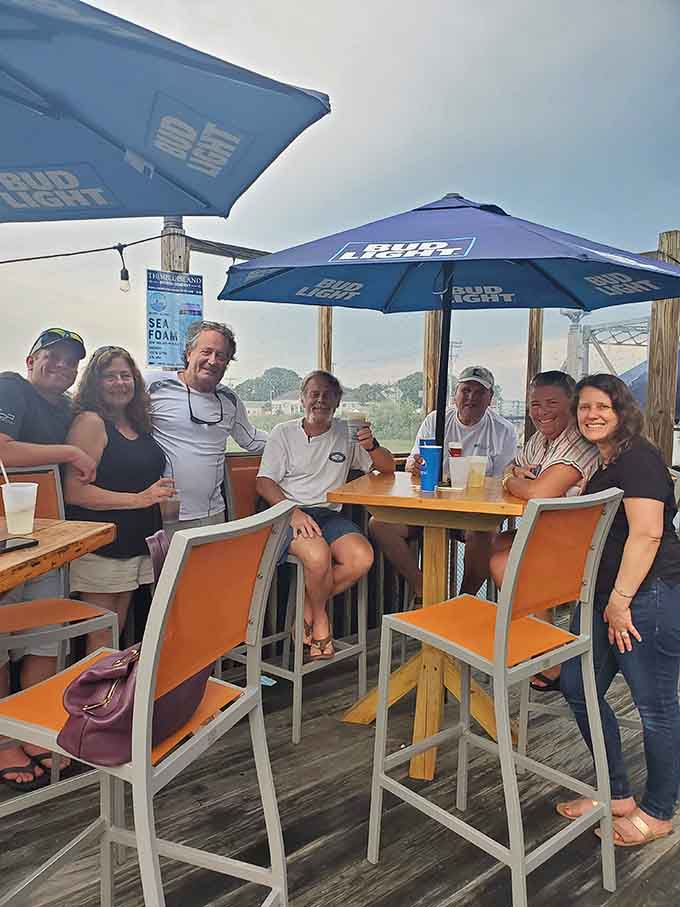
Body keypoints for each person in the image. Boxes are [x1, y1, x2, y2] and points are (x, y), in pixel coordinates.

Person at [558, 374, 680, 846]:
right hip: (609, 597)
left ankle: (659, 810)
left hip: (645, 598)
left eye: (601, 406)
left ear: (621, 410)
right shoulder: (607, 461)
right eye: (584, 407)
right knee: (576, 685)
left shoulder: (640, 460)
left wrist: (620, 601)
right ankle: (617, 794)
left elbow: (648, 533)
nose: (591, 415)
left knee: (656, 708)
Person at [0, 327, 93, 791]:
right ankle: (3, 739)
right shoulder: (11, 387)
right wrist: (71, 451)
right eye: (51, 356)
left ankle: (31, 726)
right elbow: (1, 446)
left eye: (70, 360)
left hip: (52, 539)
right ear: (31, 357)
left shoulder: (65, 409)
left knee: (45, 637)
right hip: (6, 540)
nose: (61, 365)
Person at [256, 370, 395, 659]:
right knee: (318, 557)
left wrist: (371, 444)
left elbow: (388, 468)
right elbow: (264, 482)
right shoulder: (283, 432)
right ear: (302, 399)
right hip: (288, 513)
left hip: (328, 515)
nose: (320, 400)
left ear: (337, 401)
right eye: (314, 394)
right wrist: (292, 512)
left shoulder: (347, 432)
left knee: (362, 558)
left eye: (327, 395)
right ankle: (320, 620)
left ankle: (307, 608)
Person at [490, 370, 599, 689]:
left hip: (586, 547)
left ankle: (549, 656)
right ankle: (541, 643)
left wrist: (513, 481)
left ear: (573, 404)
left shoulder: (577, 440)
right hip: (554, 534)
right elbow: (514, 466)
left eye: (552, 402)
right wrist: (517, 474)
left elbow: (539, 493)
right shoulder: (542, 439)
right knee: (493, 543)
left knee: (503, 562)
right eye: (535, 404)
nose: (542, 411)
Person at [369, 365, 516, 600]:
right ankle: (423, 588)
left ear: (490, 398)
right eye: (466, 390)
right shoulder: (436, 420)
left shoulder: (503, 430)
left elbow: (503, 483)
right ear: (455, 394)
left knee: (486, 531)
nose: (471, 397)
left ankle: (463, 599)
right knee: (379, 523)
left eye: (480, 392)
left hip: (472, 513)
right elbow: (411, 463)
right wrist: (414, 466)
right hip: (428, 509)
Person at [64, 347, 174, 653]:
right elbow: (74, 492)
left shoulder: (137, 423)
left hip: (137, 542)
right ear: (94, 383)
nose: (119, 382)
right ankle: (94, 699)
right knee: (101, 637)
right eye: (109, 376)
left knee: (117, 628)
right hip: (103, 548)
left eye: (126, 375)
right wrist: (139, 499)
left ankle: (109, 696)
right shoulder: (90, 422)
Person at [146, 320, 267, 538]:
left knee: (208, 573)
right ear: (189, 353)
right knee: (163, 573)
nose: (213, 361)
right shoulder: (153, 385)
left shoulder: (229, 399)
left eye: (221, 356)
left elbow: (251, 440)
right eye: (206, 352)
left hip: (213, 515)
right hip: (165, 514)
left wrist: (297, 435)